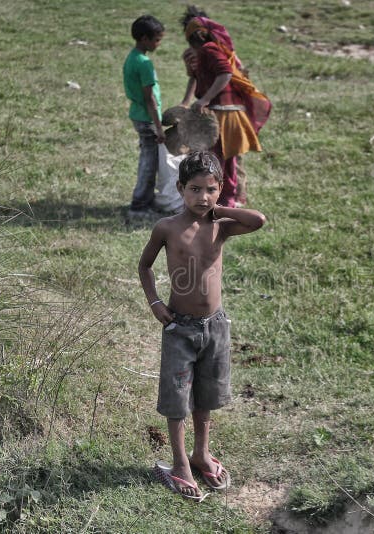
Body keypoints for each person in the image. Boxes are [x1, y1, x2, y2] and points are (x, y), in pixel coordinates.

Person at [138, 150, 266, 500]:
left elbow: (258, 220)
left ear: (220, 189)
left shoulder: (220, 227)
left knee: (206, 395)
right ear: (180, 188)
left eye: (210, 190)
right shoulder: (166, 228)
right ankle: (180, 463)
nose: (202, 197)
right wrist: (155, 302)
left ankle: (201, 454)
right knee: (177, 397)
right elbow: (145, 266)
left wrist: (219, 210)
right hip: (180, 327)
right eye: (194, 189)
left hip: (215, 327)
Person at [179, 11, 271, 208]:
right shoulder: (210, 50)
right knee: (222, 159)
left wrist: (204, 99)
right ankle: (227, 200)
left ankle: (228, 201)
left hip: (225, 112)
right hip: (224, 111)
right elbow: (201, 77)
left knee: (223, 160)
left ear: (194, 37)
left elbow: (225, 74)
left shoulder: (209, 49)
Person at [123, 15, 166, 218]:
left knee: (148, 159)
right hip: (147, 118)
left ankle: (146, 200)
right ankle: (139, 205)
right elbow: (150, 99)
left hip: (138, 115)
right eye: (156, 39)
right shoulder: (144, 63)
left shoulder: (132, 57)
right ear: (144, 38)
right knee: (149, 163)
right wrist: (159, 128)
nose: (158, 43)